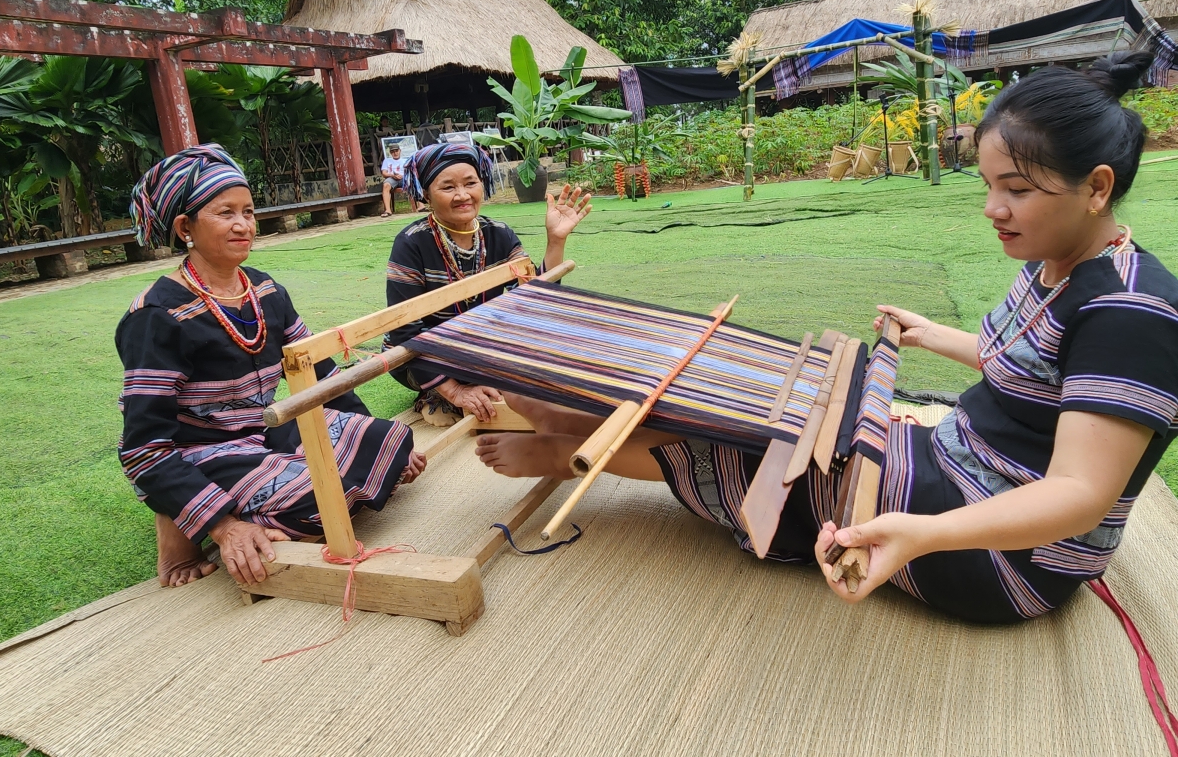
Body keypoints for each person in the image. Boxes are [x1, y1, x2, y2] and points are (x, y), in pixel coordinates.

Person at [473, 51, 1178, 623]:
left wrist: (919, 536)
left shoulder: (1132, 312)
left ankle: (572, 447)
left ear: (1096, 187)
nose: (994, 208)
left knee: (773, 464)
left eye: (1017, 190)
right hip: (958, 462)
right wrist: (932, 335)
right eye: (988, 185)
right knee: (786, 408)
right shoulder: (1063, 261)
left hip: (1010, 553)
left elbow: (1082, 493)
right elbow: (1025, 365)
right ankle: (582, 427)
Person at [117, 144, 424, 589]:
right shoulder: (156, 316)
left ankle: (233, 505)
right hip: (200, 453)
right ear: (186, 227)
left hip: (259, 432)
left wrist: (373, 440)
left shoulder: (265, 291)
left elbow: (317, 371)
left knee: (391, 441)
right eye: (226, 213)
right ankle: (188, 516)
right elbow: (143, 447)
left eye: (248, 211)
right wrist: (224, 527)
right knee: (321, 503)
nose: (244, 225)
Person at [384, 141, 591, 426]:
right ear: (427, 195)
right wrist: (455, 390)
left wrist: (556, 241)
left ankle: (476, 381)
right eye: (447, 187)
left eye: (471, 183)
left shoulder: (499, 233)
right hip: (426, 352)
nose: (462, 195)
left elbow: (533, 302)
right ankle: (440, 392)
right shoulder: (411, 243)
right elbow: (403, 331)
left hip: (482, 346)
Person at [379, 144, 418, 216]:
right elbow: (384, 173)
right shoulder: (387, 161)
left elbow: (412, 171)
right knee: (386, 185)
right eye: (393, 151)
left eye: (396, 151)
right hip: (392, 178)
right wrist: (393, 175)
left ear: (400, 151)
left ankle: (421, 206)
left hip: (404, 178)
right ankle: (388, 210)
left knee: (415, 182)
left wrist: (404, 176)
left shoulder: (406, 160)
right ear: (390, 153)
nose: (395, 153)